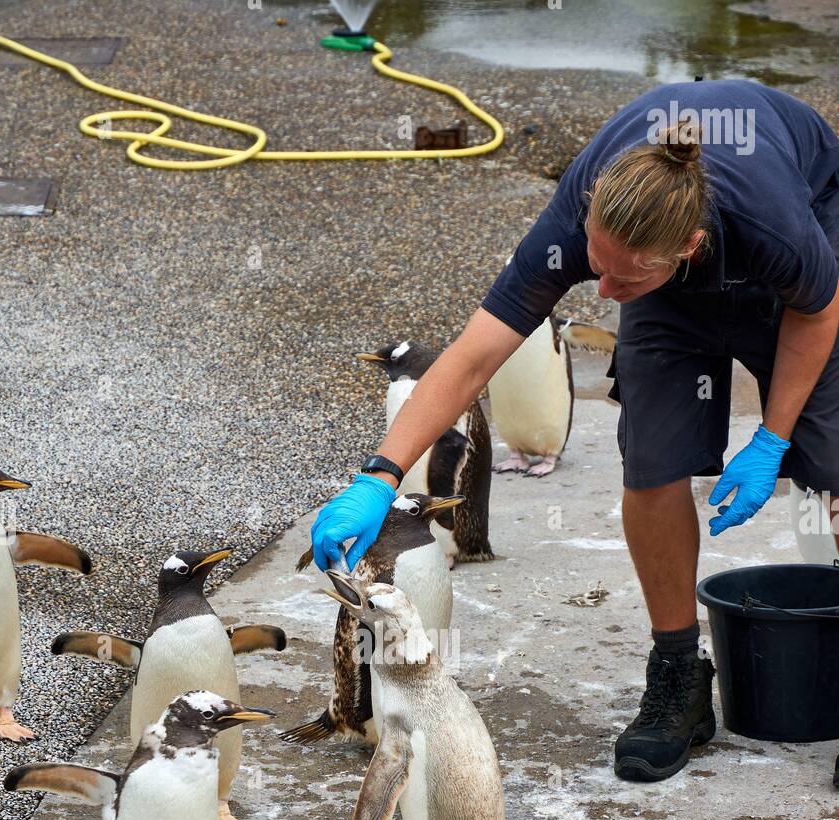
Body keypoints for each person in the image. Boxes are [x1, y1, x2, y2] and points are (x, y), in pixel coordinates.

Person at [310, 79, 839, 783]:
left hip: (802, 264)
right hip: (669, 287)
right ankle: (679, 675)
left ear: (689, 247)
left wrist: (773, 438)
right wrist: (379, 473)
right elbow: (473, 357)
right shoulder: (591, 213)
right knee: (651, 466)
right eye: (596, 267)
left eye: (621, 280)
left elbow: (819, 314)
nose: (602, 296)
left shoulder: (773, 223)